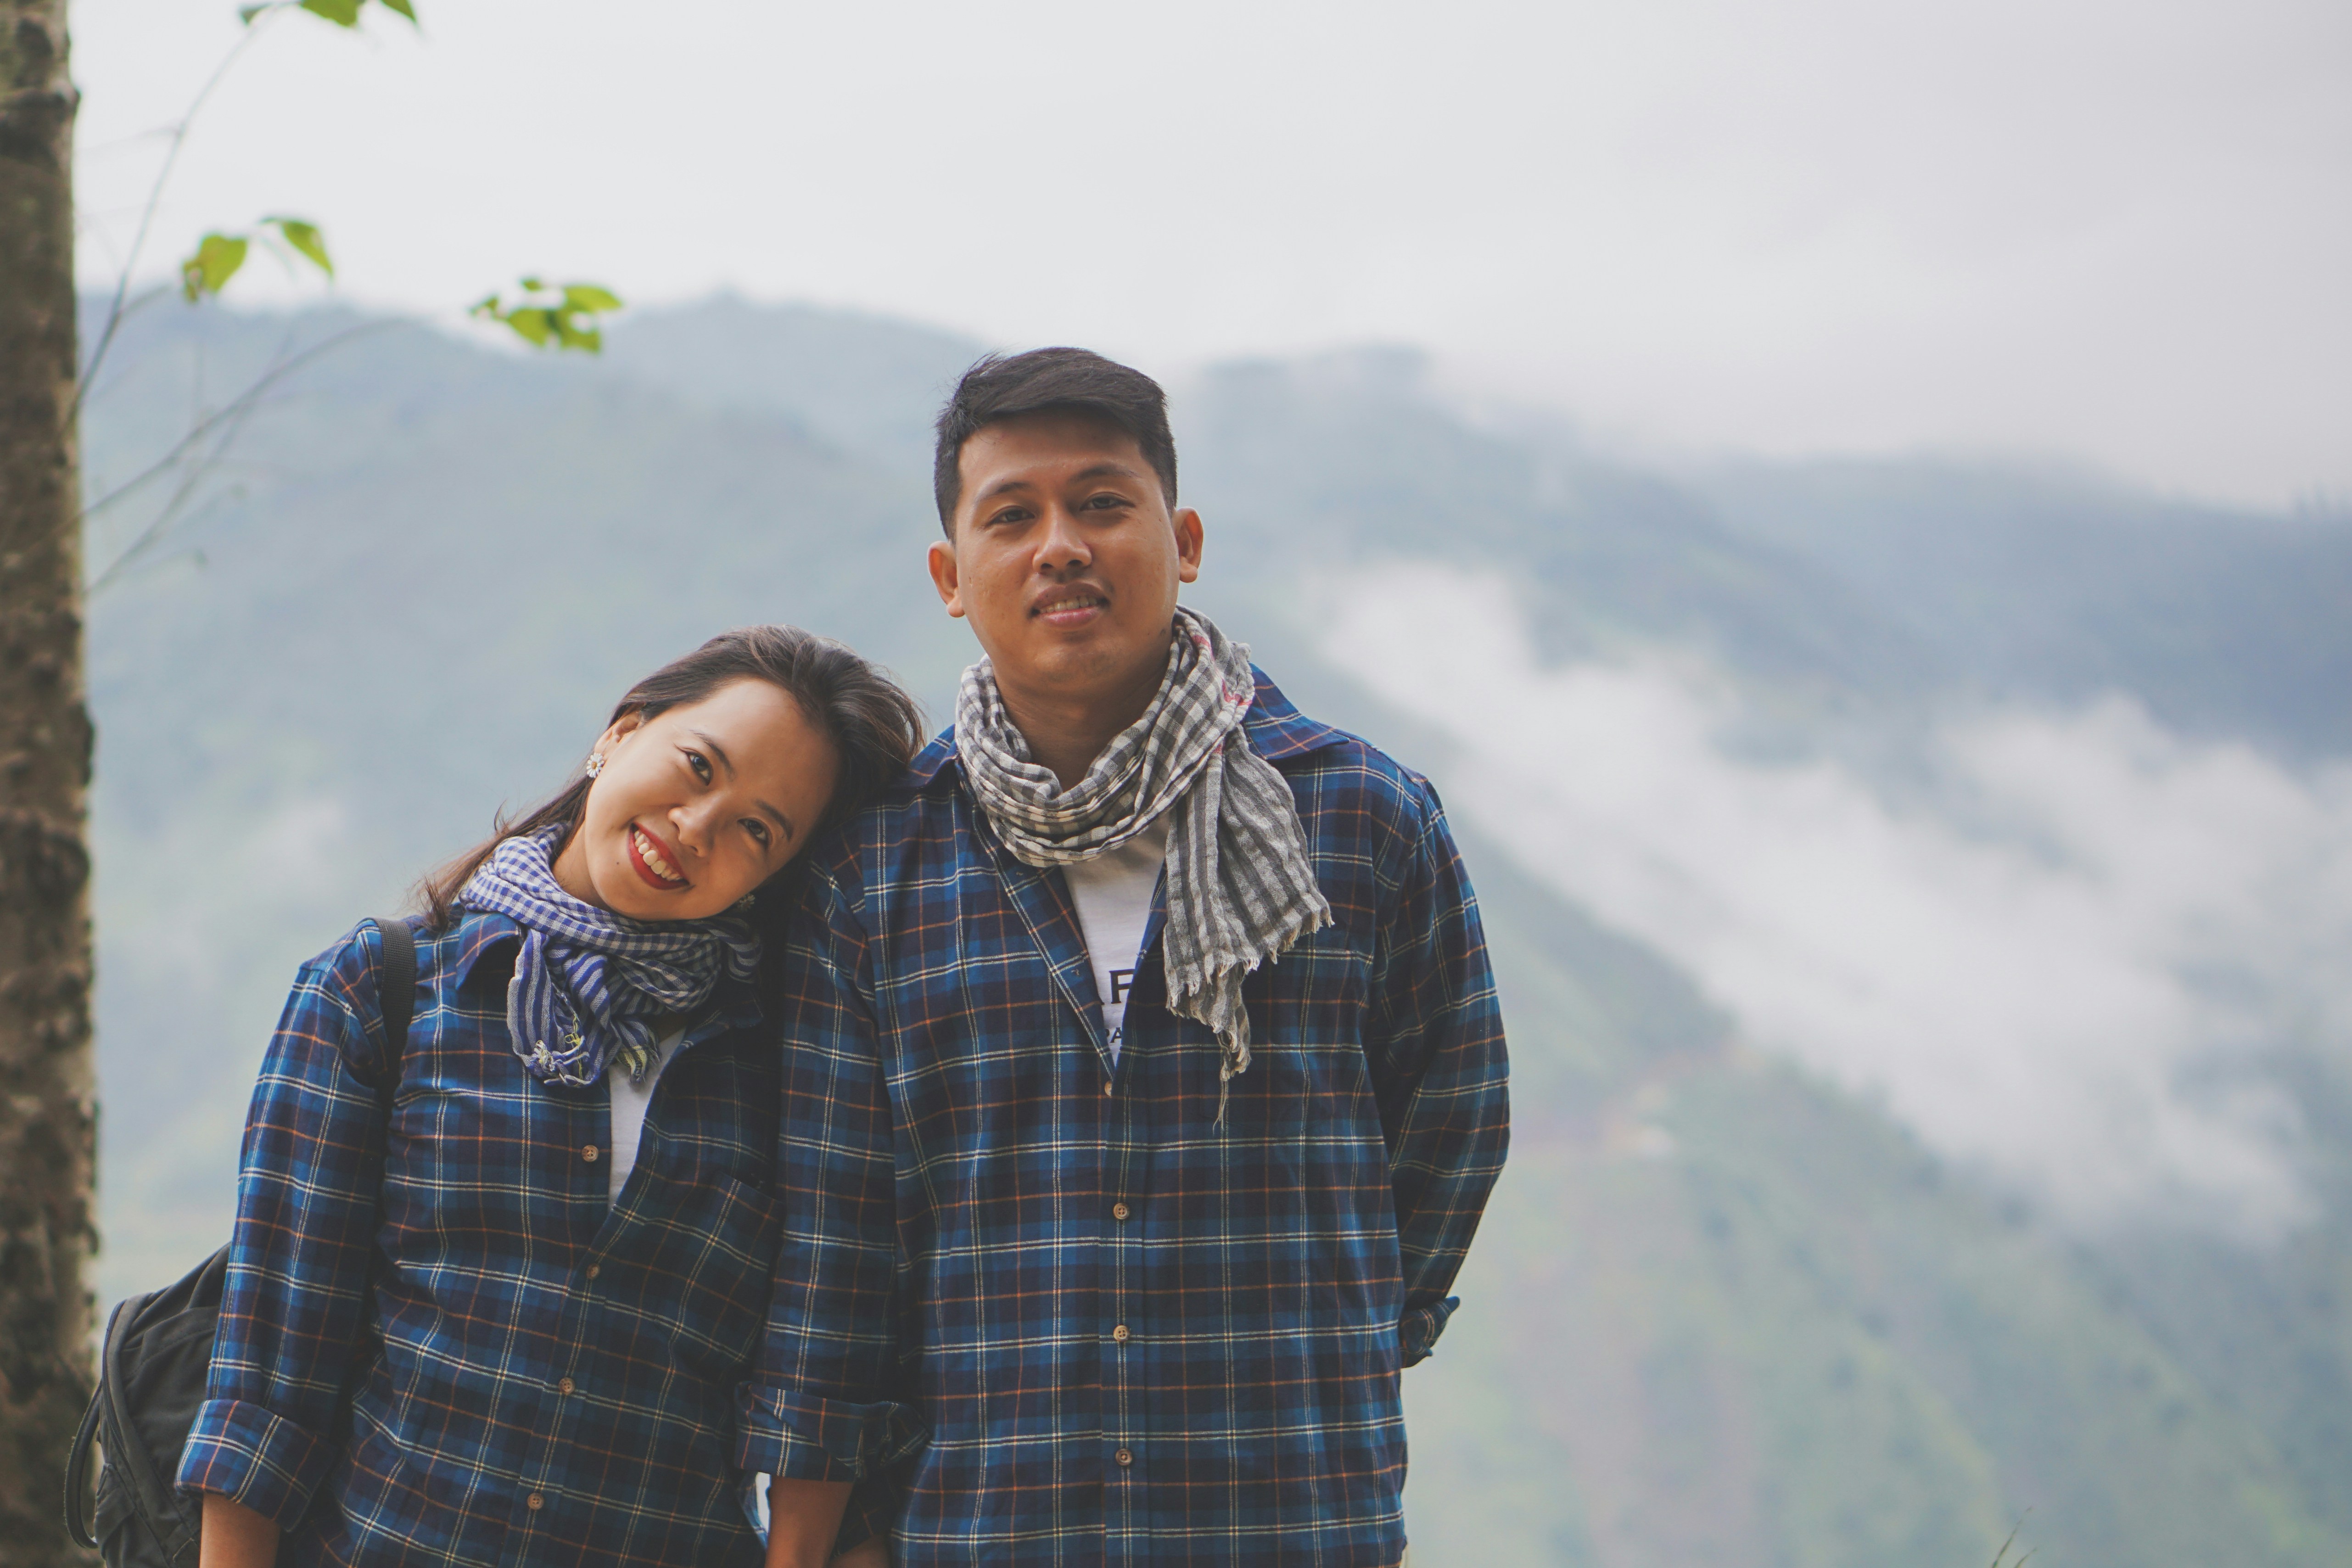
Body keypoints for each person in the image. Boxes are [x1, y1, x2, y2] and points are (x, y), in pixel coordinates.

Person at [749, 350, 1512, 1564]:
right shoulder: (881, 863)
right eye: (1012, 517)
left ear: (1184, 539)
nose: (1060, 545)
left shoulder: (1356, 819)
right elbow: (843, 1245)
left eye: (1102, 503)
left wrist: (1326, 1337)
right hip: (978, 1527)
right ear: (952, 576)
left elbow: (1449, 1130)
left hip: (1287, 1514)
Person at [180, 627, 923, 1568]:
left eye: (757, 829)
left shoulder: (785, 1069)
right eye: (698, 765)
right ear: (620, 733)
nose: (698, 825)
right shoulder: (382, 993)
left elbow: (824, 1392)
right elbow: (268, 1380)